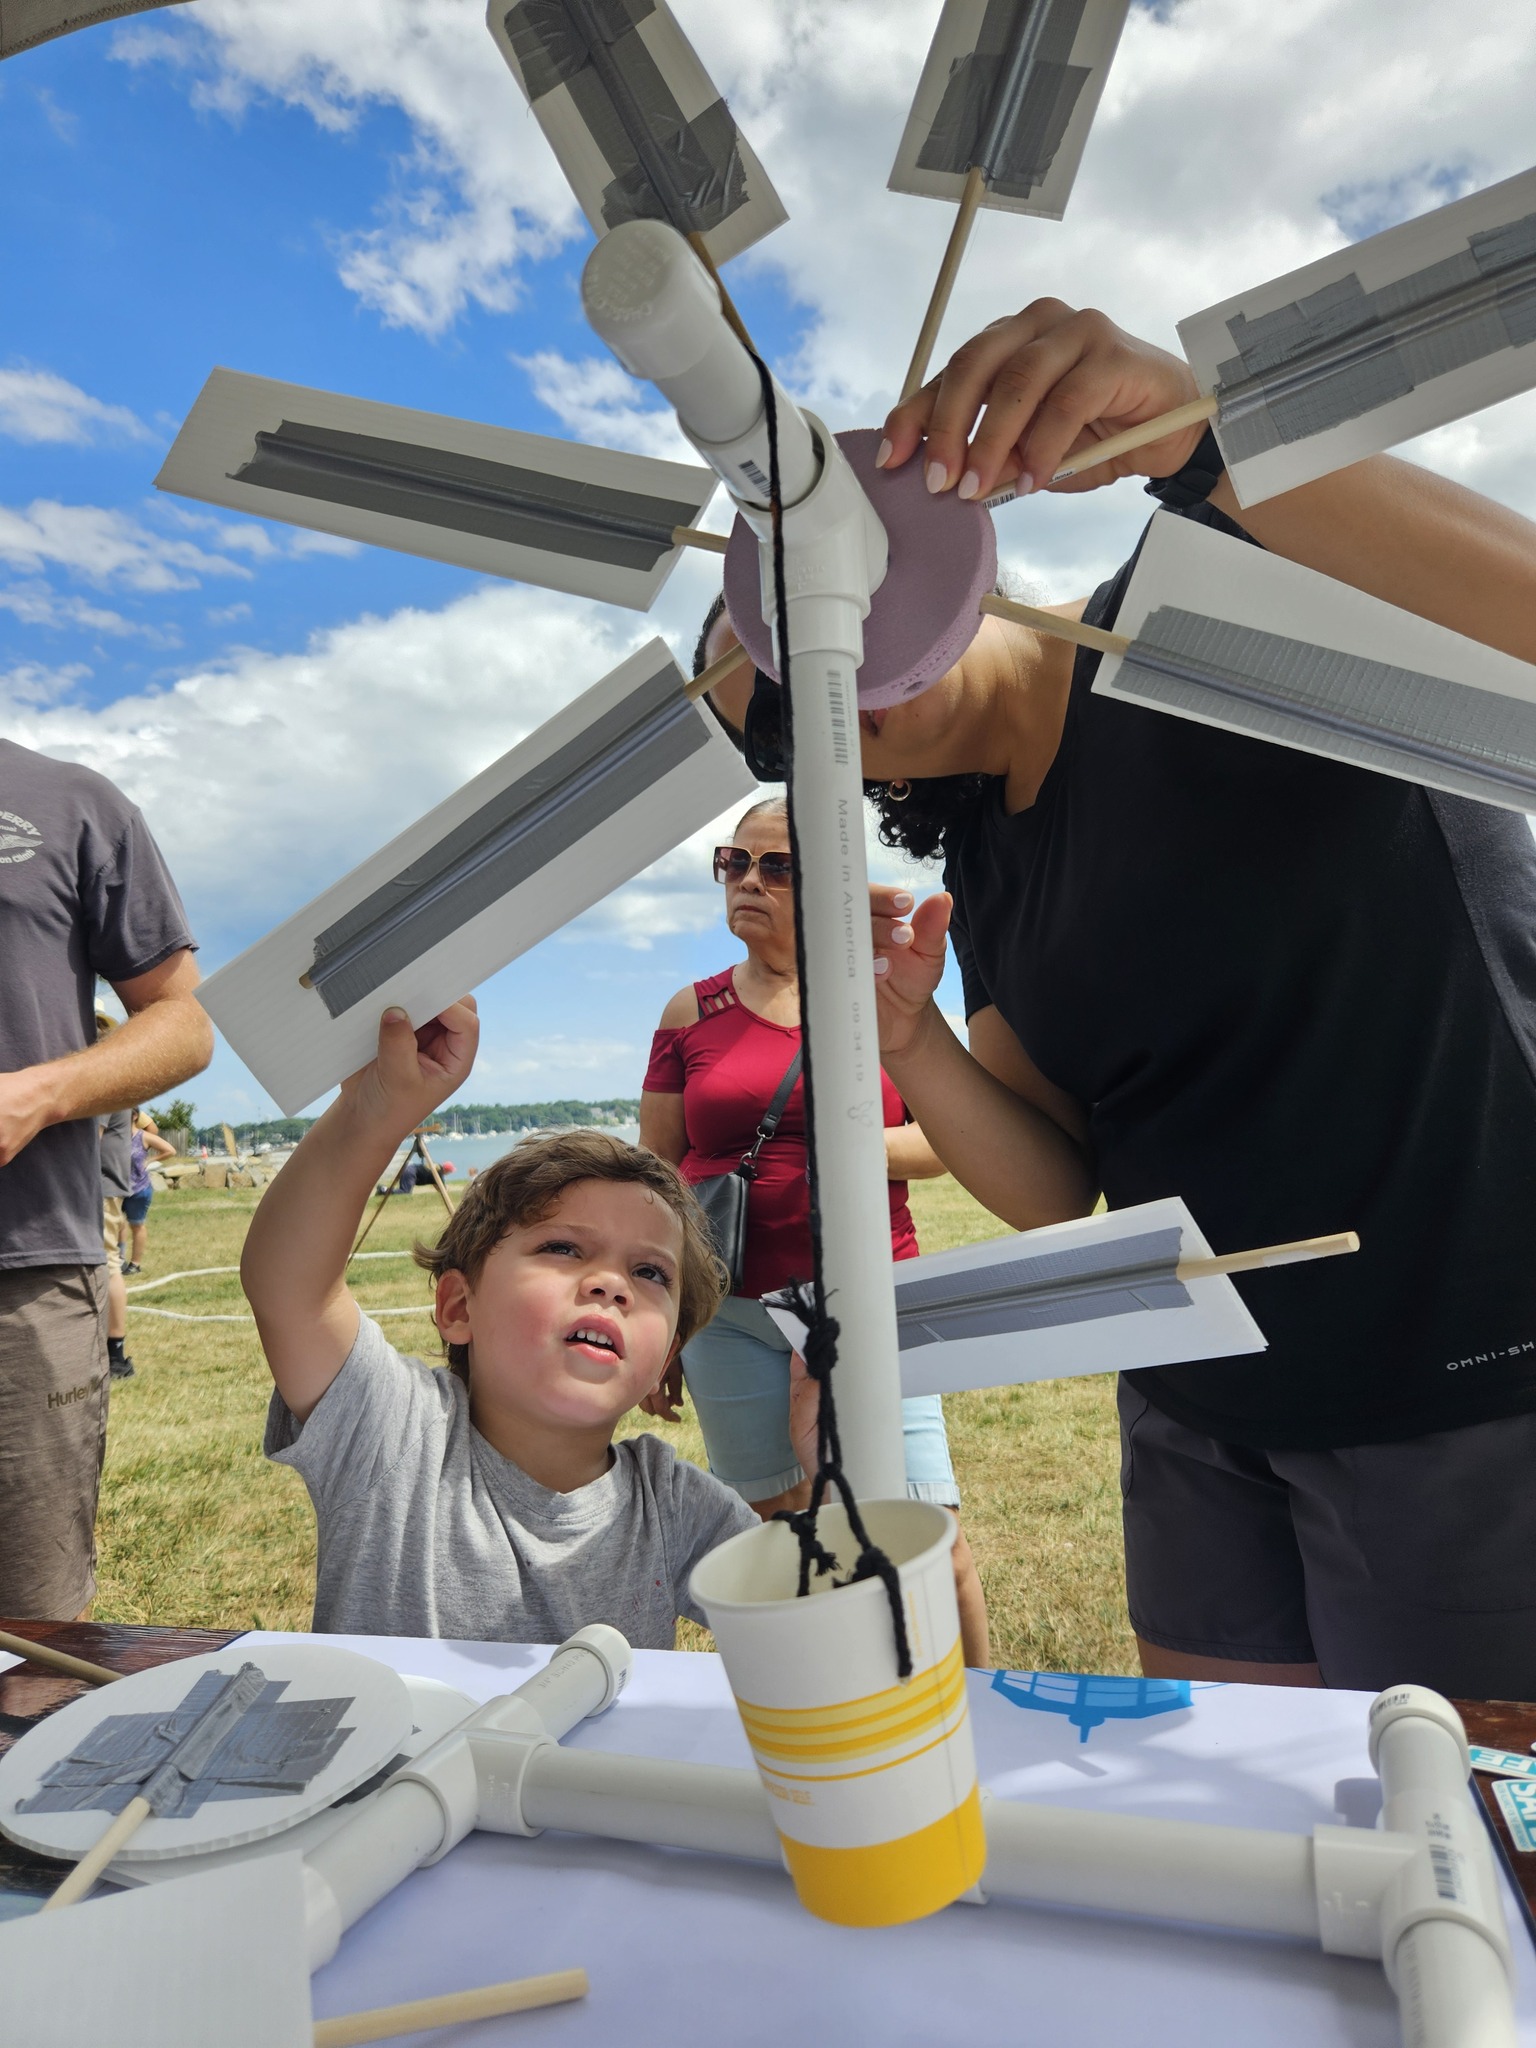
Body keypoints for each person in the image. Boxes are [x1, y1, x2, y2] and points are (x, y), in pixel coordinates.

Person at [696, 300, 1536, 1702]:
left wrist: (1206, 433)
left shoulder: (1203, 575)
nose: (820, 700)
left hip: (1459, 1364)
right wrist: (915, 1042)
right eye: (777, 722)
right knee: (1228, 1820)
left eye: (810, 641)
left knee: (1468, 1852)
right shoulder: (989, 859)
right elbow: (1050, 1181)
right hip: (1200, 1406)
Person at [241, 998, 761, 1645]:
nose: (610, 1284)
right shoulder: (395, 1431)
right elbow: (291, 1290)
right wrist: (371, 1112)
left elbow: (809, 1617)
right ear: (460, 1308)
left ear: (665, 1358)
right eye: (564, 1248)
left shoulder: (676, 1505)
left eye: (650, 1273)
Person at [640, 796, 990, 1667]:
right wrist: (665, 1322)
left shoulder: (883, 999)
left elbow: (948, 1139)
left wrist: (851, 1140)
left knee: (927, 1537)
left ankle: (983, 1715)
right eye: (734, 863)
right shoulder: (691, 1011)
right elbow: (656, 1172)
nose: (748, 881)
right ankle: (836, 1709)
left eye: (776, 866)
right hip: (729, 1314)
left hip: (868, 1301)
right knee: (784, 1535)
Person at [0, 739, 211, 1619]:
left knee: (31, 1633)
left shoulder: (70, 802)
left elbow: (181, 1021)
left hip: (24, 1271)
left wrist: (38, 1094)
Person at [119, 1109, 174, 1276]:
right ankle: (119, 1259)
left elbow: (170, 1150)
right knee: (116, 1223)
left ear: (134, 1116)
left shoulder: (143, 1136)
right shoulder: (114, 1136)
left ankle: (135, 1264)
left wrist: (150, 1160)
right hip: (118, 1188)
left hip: (139, 1189)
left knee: (136, 1224)